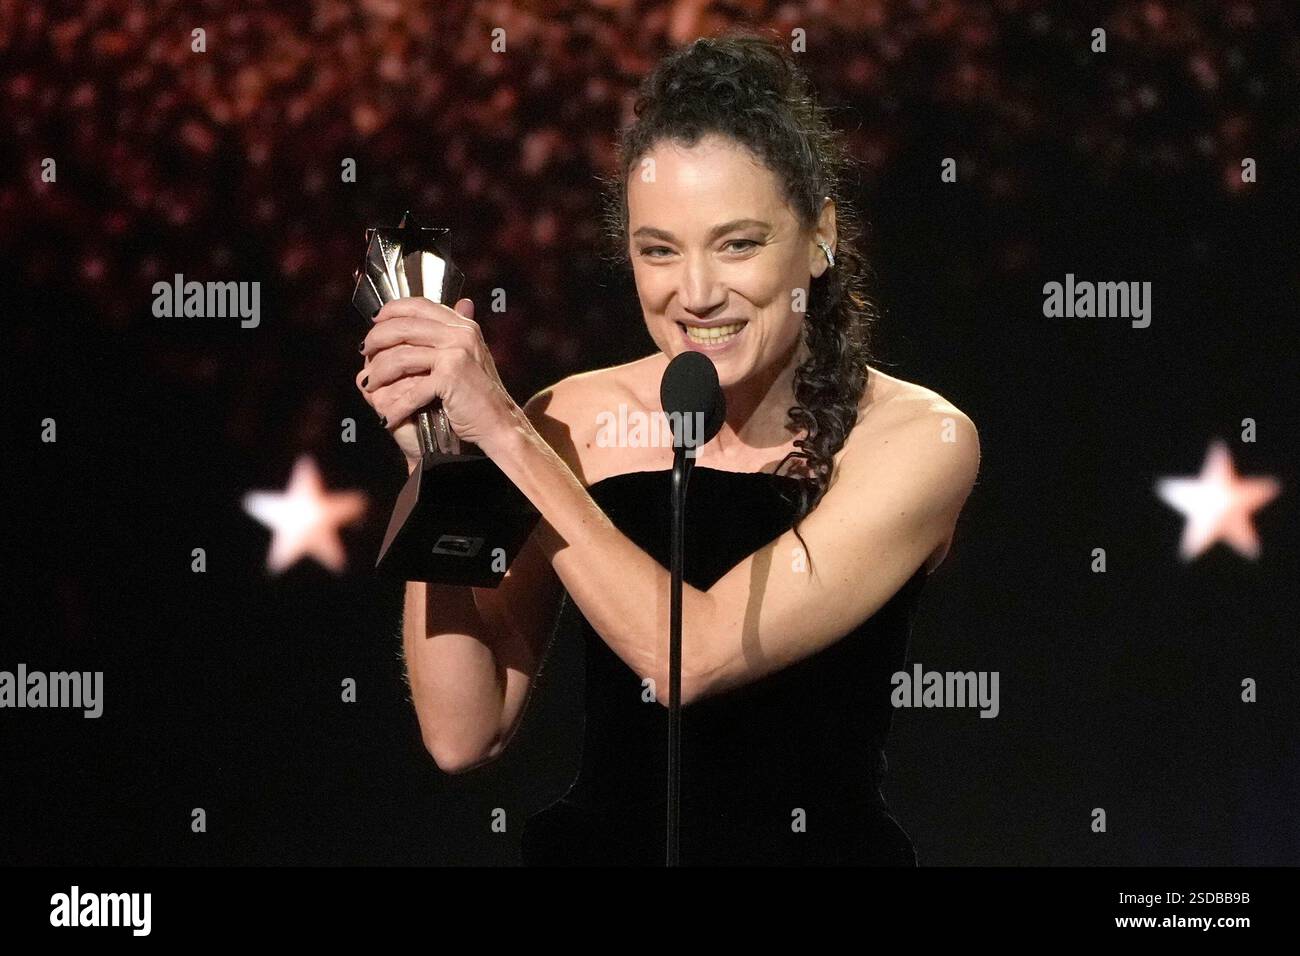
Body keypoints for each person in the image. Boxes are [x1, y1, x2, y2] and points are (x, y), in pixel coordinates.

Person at [355, 33, 979, 865]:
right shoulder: (569, 418)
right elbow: (464, 731)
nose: (695, 292)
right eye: (659, 250)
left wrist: (504, 432)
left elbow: (700, 654)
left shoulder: (915, 438)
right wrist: (440, 458)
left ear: (820, 237)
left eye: (738, 243)